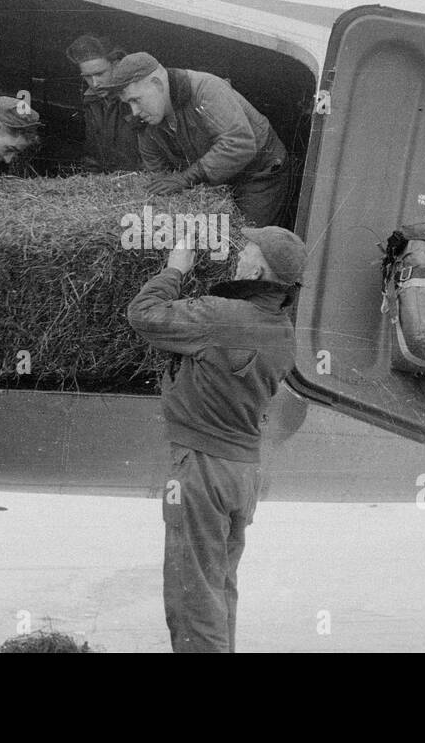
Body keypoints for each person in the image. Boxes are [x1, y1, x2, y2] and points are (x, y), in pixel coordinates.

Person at [126, 226, 307, 652]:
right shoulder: (282, 330)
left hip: (202, 471)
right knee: (218, 590)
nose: (238, 256)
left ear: (258, 268)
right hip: (242, 472)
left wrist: (175, 269)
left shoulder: (222, 316)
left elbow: (143, 314)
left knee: (193, 599)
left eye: (246, 251)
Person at [100, 52, 290, 227]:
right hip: (217, 182)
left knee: (243, 241)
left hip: (258, 174)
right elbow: (159, 173)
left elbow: (239, 144)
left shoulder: (206, 89)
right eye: (128, 104)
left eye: (136, 100)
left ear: (157, 84)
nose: (134, 112)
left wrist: (186, 178)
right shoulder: (148, 121)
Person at [64, 33, 143, 172]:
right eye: (87, 77)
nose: (95, 83)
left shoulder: (138, 97)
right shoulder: (91, 101)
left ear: (117, 65)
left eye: (100, 74)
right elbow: (93, 153)